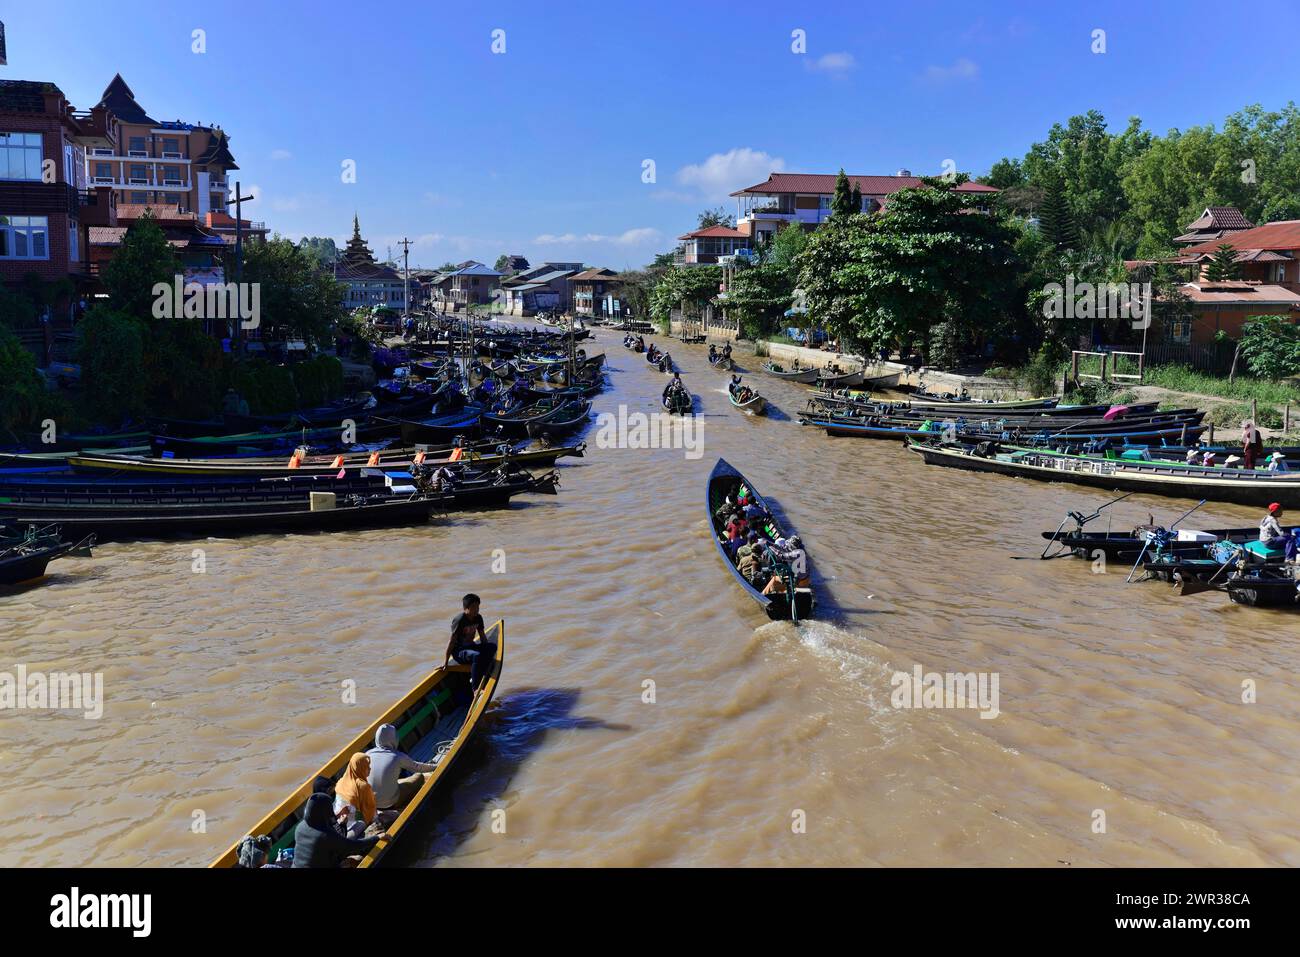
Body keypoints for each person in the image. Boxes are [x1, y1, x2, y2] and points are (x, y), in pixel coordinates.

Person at [292, 792, 387, 868]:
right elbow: (351, 846)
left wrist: (342, 824)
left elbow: (335, 840)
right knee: (358, 859)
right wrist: (377, 837)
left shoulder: (300, 827)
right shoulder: (324, 835)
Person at [367, 724, 440, 811]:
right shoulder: (397, 756)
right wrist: (436, 767)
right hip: (389, 803)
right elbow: (418, 768)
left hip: (370, 803)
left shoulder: (367, 754)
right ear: (394, 739)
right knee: (419, 776)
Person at [445, 593, 496, 689]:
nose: (476, 609)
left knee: (493, 647)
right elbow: (451, 641)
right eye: (473, 607)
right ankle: (475, 688)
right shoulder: (459, 620)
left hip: (471, 647)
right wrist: (446, 663)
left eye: (478, 607)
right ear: (466, 608)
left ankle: (482, 669)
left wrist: (486, 651)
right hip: (459, 652)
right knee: (476, 655)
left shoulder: (478, 618)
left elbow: (482, 636)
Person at [334, 753, 383, 837]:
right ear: (360, 768)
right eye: (367, 767)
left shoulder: (341, 781)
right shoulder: (363, 786)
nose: (370, 769)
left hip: (338, 821)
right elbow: (370, 812)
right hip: (351, 826)